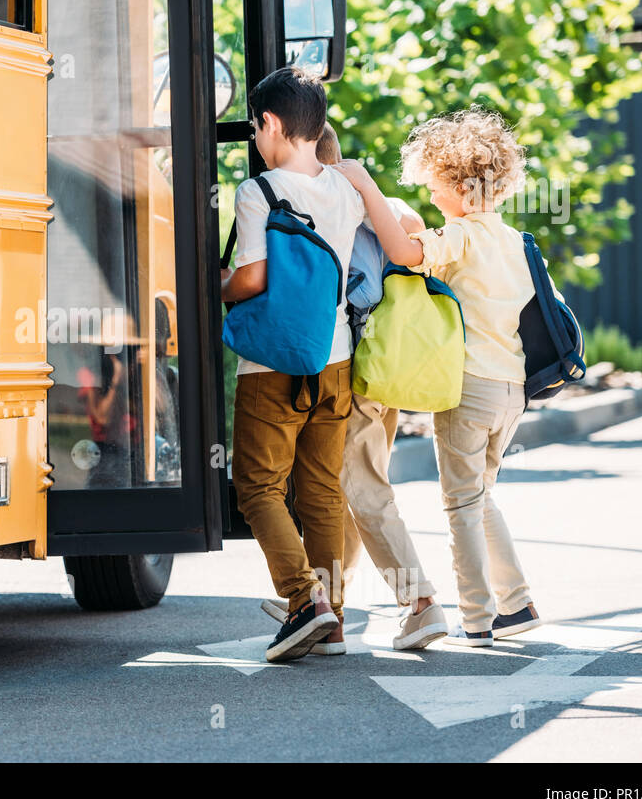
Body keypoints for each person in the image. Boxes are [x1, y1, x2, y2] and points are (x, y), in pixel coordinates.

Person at [333, 106, 543, 647]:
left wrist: (363, 183)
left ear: (455, 185)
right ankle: (516, 603)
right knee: (482, 495)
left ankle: (477, 616)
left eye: (434, 186)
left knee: (460, 504)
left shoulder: (461, 236)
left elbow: (406, 251)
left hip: (469, 387)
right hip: (512, 390)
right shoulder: (514, 240)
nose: (430, 197)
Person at [221, 68, 361, 661]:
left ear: (271, 124)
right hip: (335, 361)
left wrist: (217, 284)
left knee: (256, 487)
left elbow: (252, 277)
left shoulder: (260, 191)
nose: (255, 139)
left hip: (273, 365)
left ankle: (304, 603)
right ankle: (332, 620)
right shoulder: (345, 191)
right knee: (322, 491)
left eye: (255, 127)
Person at [316, 124, 450, 651]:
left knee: (361, 488)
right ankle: (331, 608)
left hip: (352, 369)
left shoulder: (323, 210)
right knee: (351, 488)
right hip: (388, 369)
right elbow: (411, 230)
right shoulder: (390, 208)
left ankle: (419, 600)